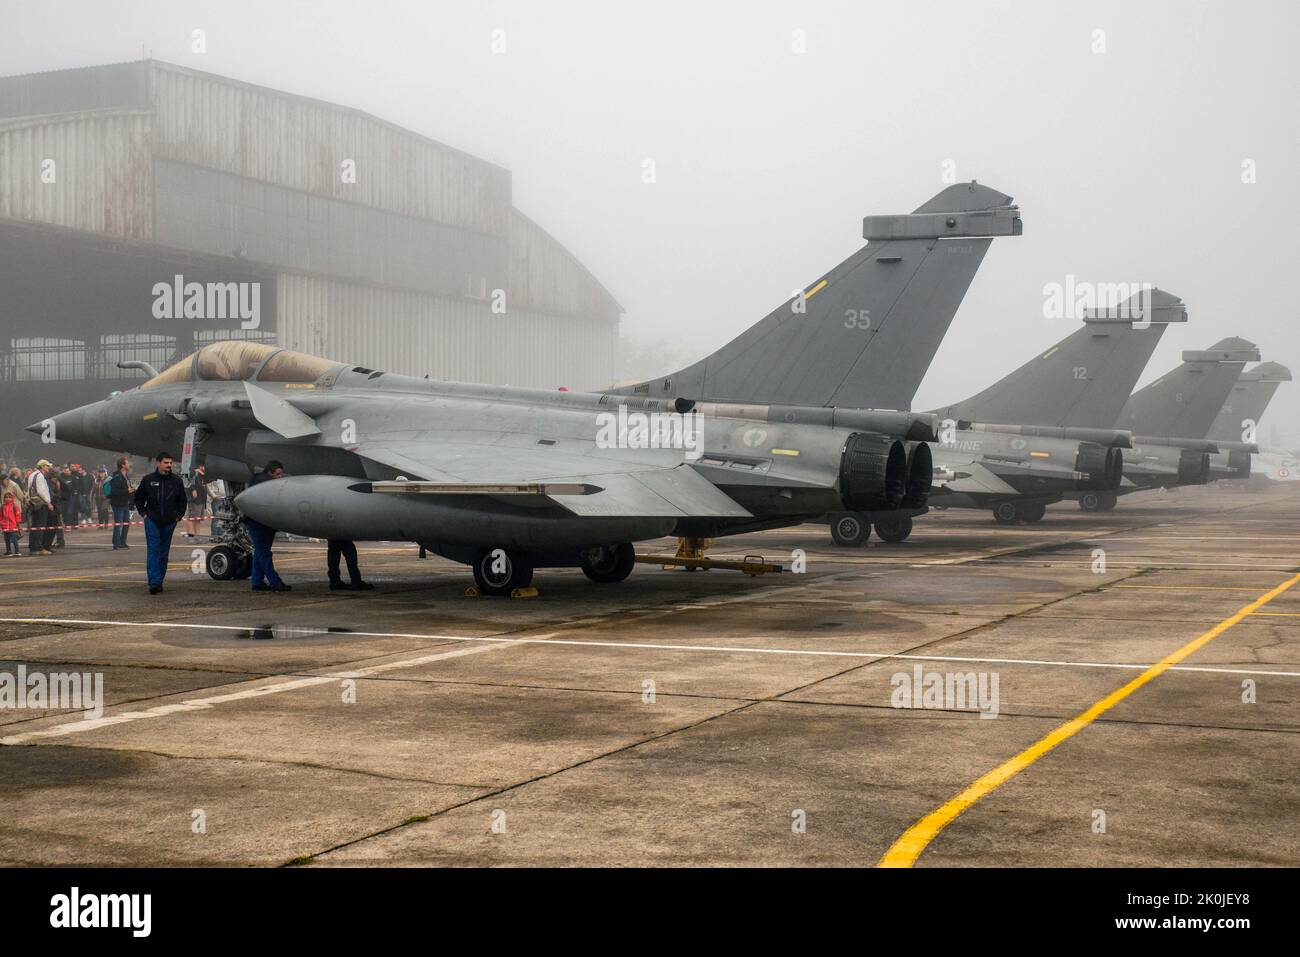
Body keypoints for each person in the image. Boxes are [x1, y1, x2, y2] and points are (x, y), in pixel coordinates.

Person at [132, 451, 187, 594]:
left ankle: (159, 580)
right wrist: (144, 514)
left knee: (163, 553)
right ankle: (154, 582)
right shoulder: (148, 480)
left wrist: (178, 516)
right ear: (158, 463)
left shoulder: (176, 481)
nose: (169, 465)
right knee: (153, 550)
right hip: (152, 520)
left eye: (170, 463)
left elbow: (182, 501)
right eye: (166, 463)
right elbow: (138, 498)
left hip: (169, 522)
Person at [245, 460, 291, 593]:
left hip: (259, 522)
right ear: (270, 472)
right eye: (278, 474)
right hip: (258, 523)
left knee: (260, 552)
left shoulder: (259, 479)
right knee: (264, 553)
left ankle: (257, 581)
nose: (280, 477)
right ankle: (275, 581)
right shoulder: (266, 482)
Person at [25, 460, 55, 556]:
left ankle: (32, 547)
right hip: (41, 504)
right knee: (40, 526)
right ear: (42, 466)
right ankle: (38, 548)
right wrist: (48, 502)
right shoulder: (40, 476)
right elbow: (41, 491)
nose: (48, 468)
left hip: (33, 503)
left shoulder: (32, 474)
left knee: (34, 526)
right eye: (47, 466)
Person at [107, 457, 134, 549]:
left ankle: (123, 542)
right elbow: (115, 491)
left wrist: (131, 501)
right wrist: (127, 491)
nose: (129, 465)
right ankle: (116, 544)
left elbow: (128, 490)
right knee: (118, 524)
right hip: (117, 504)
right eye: (127, 463)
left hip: (125, 503)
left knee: (126, 523)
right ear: (122, 465)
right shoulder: (117, 477)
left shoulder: (125, 476)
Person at [184, 465, 209, 538]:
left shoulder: (203, 475)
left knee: (198, 519)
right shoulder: (194, 473)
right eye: (203, 466)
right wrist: (193, 490)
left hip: (202, 500)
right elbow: (187, 481)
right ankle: (191, 536)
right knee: (191, 518)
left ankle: (197, 536)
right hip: (195, 501)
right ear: (199, 466)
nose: (204, 468)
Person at [1, 489, 22, 557]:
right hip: (5, 526)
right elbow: (1, 516)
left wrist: (17, 524)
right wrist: (1, 523)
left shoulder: (14, 506)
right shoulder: (2, 507)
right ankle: (8, 551)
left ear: (12, 498)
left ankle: (17, 551)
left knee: (14, 539)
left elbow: (18, 515)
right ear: (4, 498)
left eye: (9, 497)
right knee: (6, 540)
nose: (7, 499)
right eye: (6, 497)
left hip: (13, 526)